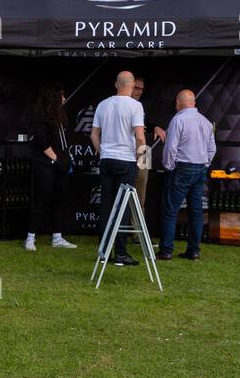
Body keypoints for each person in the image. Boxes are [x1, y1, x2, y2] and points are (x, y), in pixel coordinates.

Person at [90, 71, 146, 267]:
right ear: (131, 86)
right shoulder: (135, 105)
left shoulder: (103, 104)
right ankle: (121, 254)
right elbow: (140, 137)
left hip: (107, 160)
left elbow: (94, 134)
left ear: (116, 84)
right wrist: (141, 160)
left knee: (106, 206)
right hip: (125, 161)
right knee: (122, 207)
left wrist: (102, 151)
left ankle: (103, 251)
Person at [156, 89, 216, 262]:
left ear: (178, 102)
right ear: (194, 103)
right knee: (196, 212)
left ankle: (166, 251)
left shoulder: (178, 119)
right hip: (199, 169)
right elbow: (213, 149)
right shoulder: (205, 122)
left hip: (181, 168)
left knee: (170, 210)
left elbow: (170, 147)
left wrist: (169, 166)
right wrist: (205, 163)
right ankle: (194, 251)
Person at [25, 85, 77, 251]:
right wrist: (55, 158)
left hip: (61, 163)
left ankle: (57, 237)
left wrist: (64, 159)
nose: (64, 99)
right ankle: (30, 238)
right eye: (61, 96)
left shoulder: (61, 116)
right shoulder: (41, 116)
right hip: (45, 163)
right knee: (41, 199)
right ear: (53, 97)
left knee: (59, 200)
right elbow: (41, 141)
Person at [130, 76, 168, 210]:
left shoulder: (141, 105)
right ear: (128, 85)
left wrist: (155, 127)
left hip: (143, 150)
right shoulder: (119, 104)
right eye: (136, 88)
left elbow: (146, 123)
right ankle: (120, 227)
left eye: (142, 89)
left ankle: (137, 229)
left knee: (141, 192)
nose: (139, 91)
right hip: (126, 150)